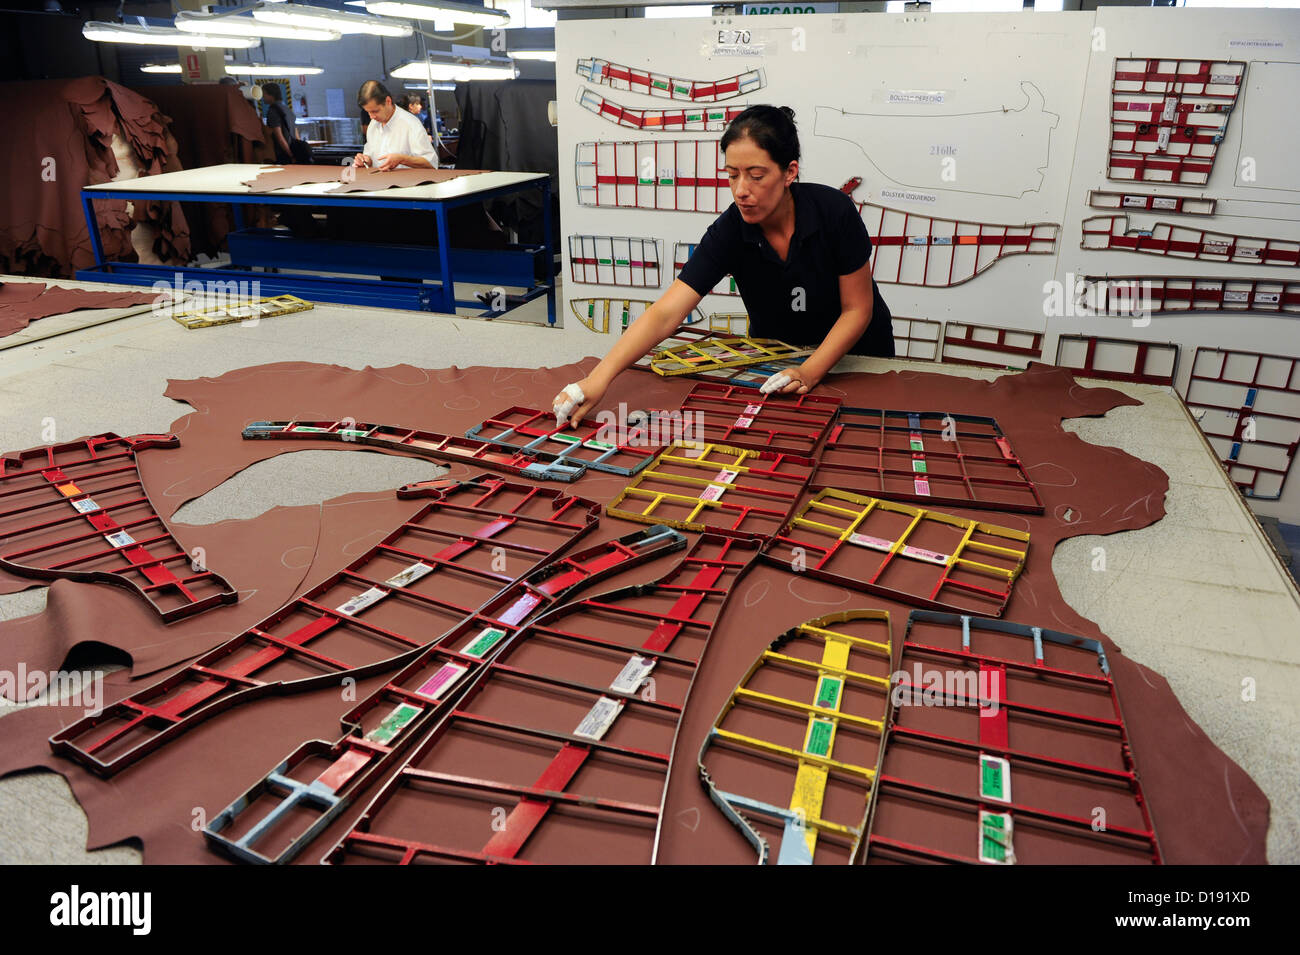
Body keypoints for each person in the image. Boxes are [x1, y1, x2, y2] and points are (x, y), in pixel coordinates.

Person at [554, 105, 894, 426]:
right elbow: (666, 313)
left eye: (756, 176)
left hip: (858, 358)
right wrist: (598, 378)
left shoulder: (833, 212)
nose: (741, 190)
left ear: (790, 172)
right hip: (780, 360)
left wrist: (811, 370)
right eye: (732, 176)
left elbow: (857, 309)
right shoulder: (731, 230)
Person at [353, 80, 436, 171]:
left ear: (388, 101)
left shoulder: (411, 124)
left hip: (407, 184)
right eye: (368, 112)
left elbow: (431, 163)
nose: (372, 117)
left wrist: (403, 159)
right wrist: (366, 160)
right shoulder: (373, 125)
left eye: (375, 111)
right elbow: (370, 157)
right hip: (379, 183)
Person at [260, 83, 312, 164]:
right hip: (292, 151)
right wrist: (297, 152)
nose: (262, 97)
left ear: (271, 95)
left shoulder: (273, 111)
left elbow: (279, 137)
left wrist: (291, 156)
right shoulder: (287, 109)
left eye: (264, 94)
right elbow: (296, 134)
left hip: (283, 154)